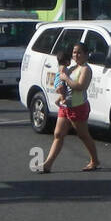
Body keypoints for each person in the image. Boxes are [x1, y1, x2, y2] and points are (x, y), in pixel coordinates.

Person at [39, 44, 100, 172]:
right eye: (74, 52)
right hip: (66, 105)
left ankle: (94, 160)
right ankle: (48, 164)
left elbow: (80, 86)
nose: (76, 55)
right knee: (58, 134)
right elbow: (62, 83)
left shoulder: (85, 69)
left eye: (79, 53)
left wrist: (65, 78)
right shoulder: (71, 68)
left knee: (83, 135)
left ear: (86, 54)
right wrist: (60, 87)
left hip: (78, 106)